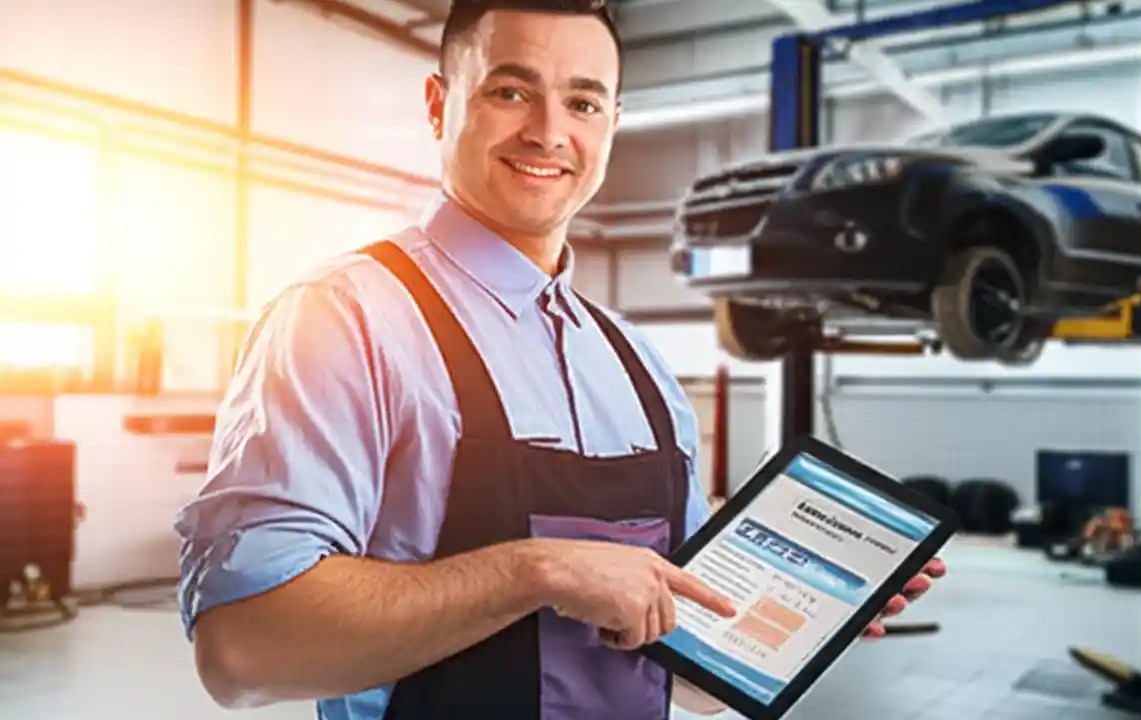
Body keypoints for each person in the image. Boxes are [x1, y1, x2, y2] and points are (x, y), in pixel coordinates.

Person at [174, 1, 946, 718]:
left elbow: (688, 678)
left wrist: (813, 609)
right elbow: (243, 650)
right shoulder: (344, 318)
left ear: (613, 122)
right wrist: (535, 572)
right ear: (441, 105)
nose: (548, 132)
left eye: (582, 103)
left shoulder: (638, 363)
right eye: (511, 92)